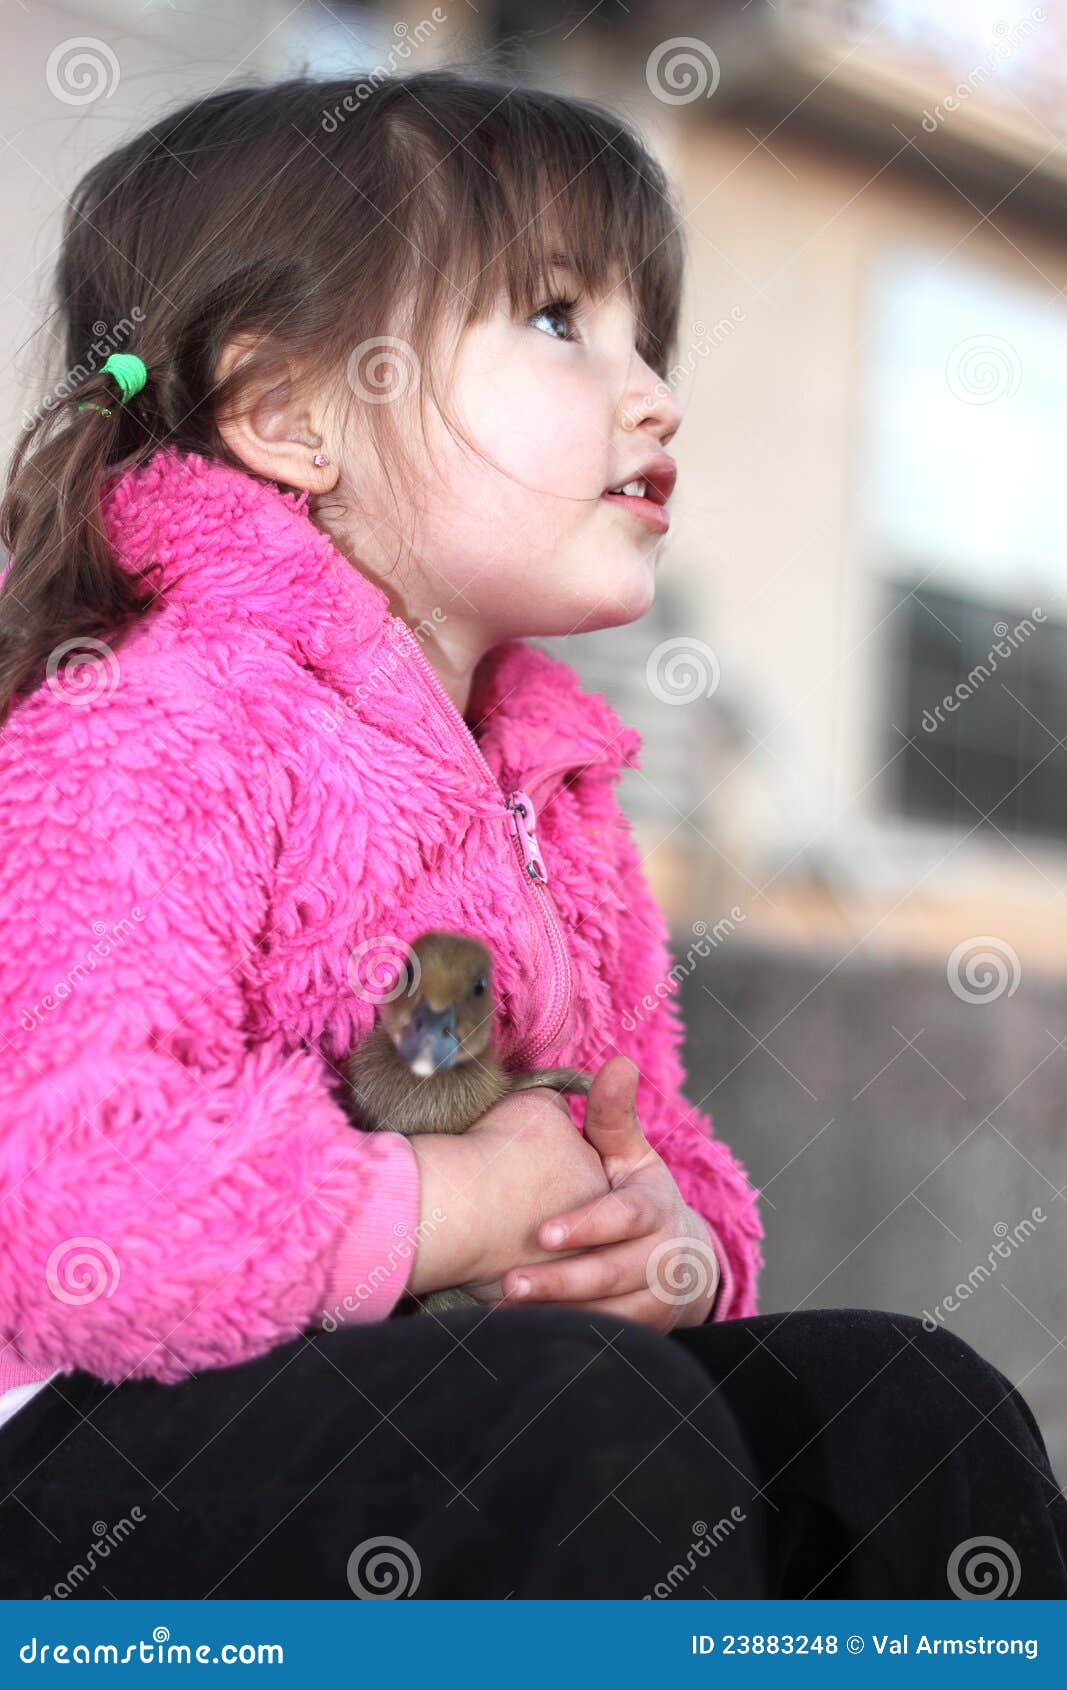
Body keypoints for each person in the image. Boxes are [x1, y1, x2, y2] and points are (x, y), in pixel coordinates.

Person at [0, 67, 1064, 1601]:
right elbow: (58, 1196)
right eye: (561, 320)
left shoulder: (549, 787)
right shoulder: (154, 728)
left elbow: (650, 1132)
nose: (654, 394)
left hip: (457, 1398)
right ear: (291, 410)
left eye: (651, 337)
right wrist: (456, 1205)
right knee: (582, 1423)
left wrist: (666, 1243)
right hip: (94, 1466)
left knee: (907, 1407)